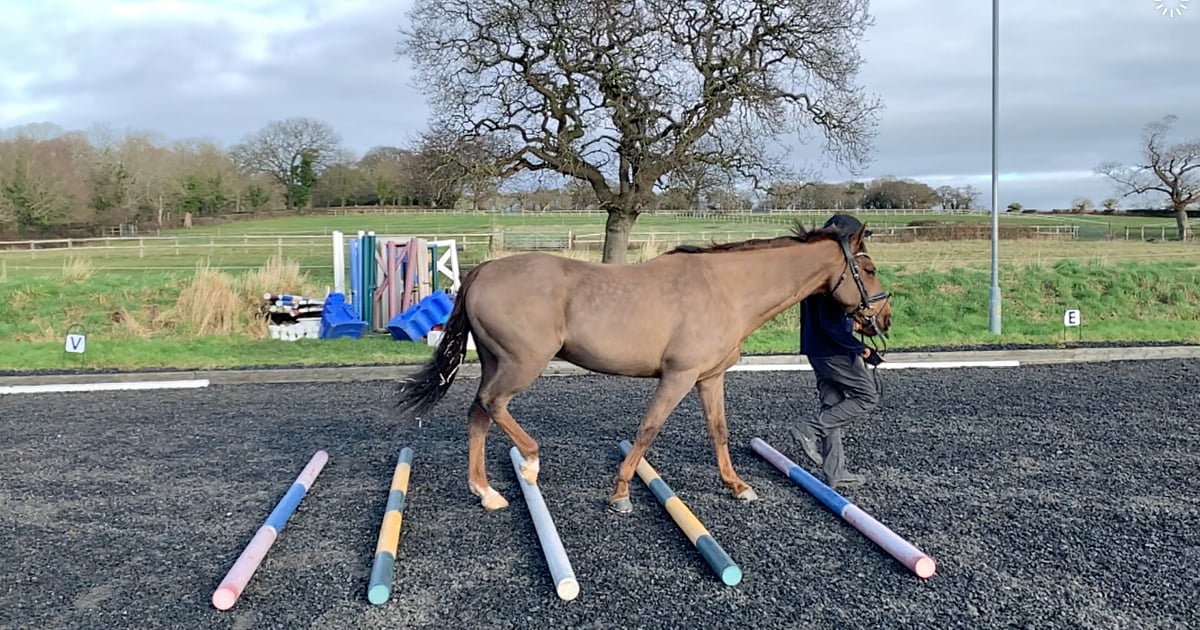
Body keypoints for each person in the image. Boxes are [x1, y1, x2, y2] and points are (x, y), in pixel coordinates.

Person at [791, 213, 882, 490]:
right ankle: (808, 429)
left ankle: (835, 473)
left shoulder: (814, 270)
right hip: (834, 352)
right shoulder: (835, 274)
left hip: (816, 350)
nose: (861, 245)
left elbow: (827, 321)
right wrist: (861, 349)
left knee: (833, 407)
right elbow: (832, 327)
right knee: (867, 397)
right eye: (858, 240)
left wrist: (851, 324)